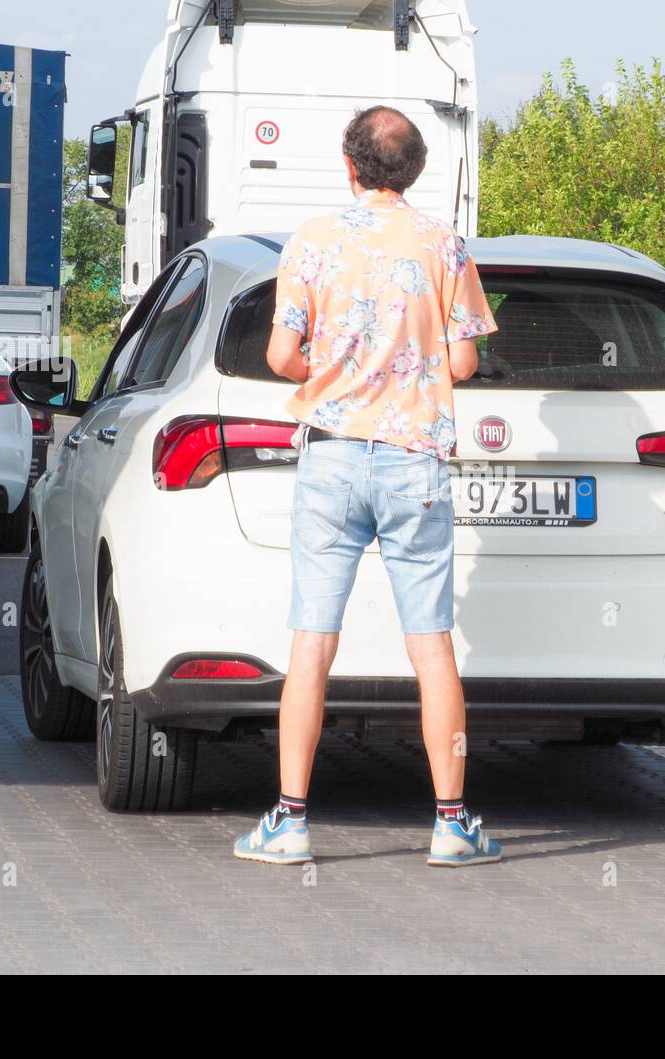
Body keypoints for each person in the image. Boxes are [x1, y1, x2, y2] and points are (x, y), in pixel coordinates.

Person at [233, 106, 501, 868]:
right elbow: (463, 366)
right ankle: (452, 824)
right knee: (433, 646)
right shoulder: (443, 244)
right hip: (414, 458)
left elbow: (283, 355)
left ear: (348, 167)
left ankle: (288, 822)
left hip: (334, 459)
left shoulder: (313, 242)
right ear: (412, 170)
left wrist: (335, 369)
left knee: (312, 642)